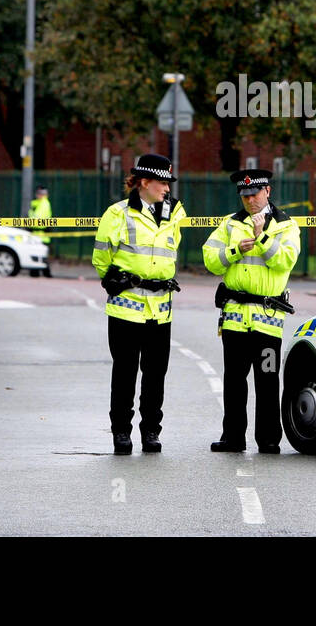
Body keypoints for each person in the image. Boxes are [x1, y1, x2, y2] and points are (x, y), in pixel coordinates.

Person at [92, 154, 185, 455]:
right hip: (126, 309)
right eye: (162, 183)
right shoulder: (117, 214)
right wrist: (116, 279)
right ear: (144, 182)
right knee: (125, 373)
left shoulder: (174, 214)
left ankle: (151, 432)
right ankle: (121, 432)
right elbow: (101, 258)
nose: (167, 189)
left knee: (156, 374)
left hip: (161, 309)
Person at [204, 168, 300, 454]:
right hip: (234, 319)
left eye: (254, 194)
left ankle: (269, 439)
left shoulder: (285, 226)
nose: (249, 200)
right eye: (244, 196)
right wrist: (233, 251)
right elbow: (210, 259)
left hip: (268, 321)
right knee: (234, 380)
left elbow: (285, 261)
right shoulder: (230, 224)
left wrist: (262, 238)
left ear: (267, 191)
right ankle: (232, 437)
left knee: (268, 380)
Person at [28, 185, 53, 278]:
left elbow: (38, 219)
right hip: (35, 235)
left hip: (42, 235)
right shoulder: (34, 204)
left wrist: (30, 225)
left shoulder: (44, 204)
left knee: (42, 255)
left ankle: (44, 273)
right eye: (39, 193)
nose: (40, 195)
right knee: (38, 254)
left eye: (42, 193)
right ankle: (38, 272)